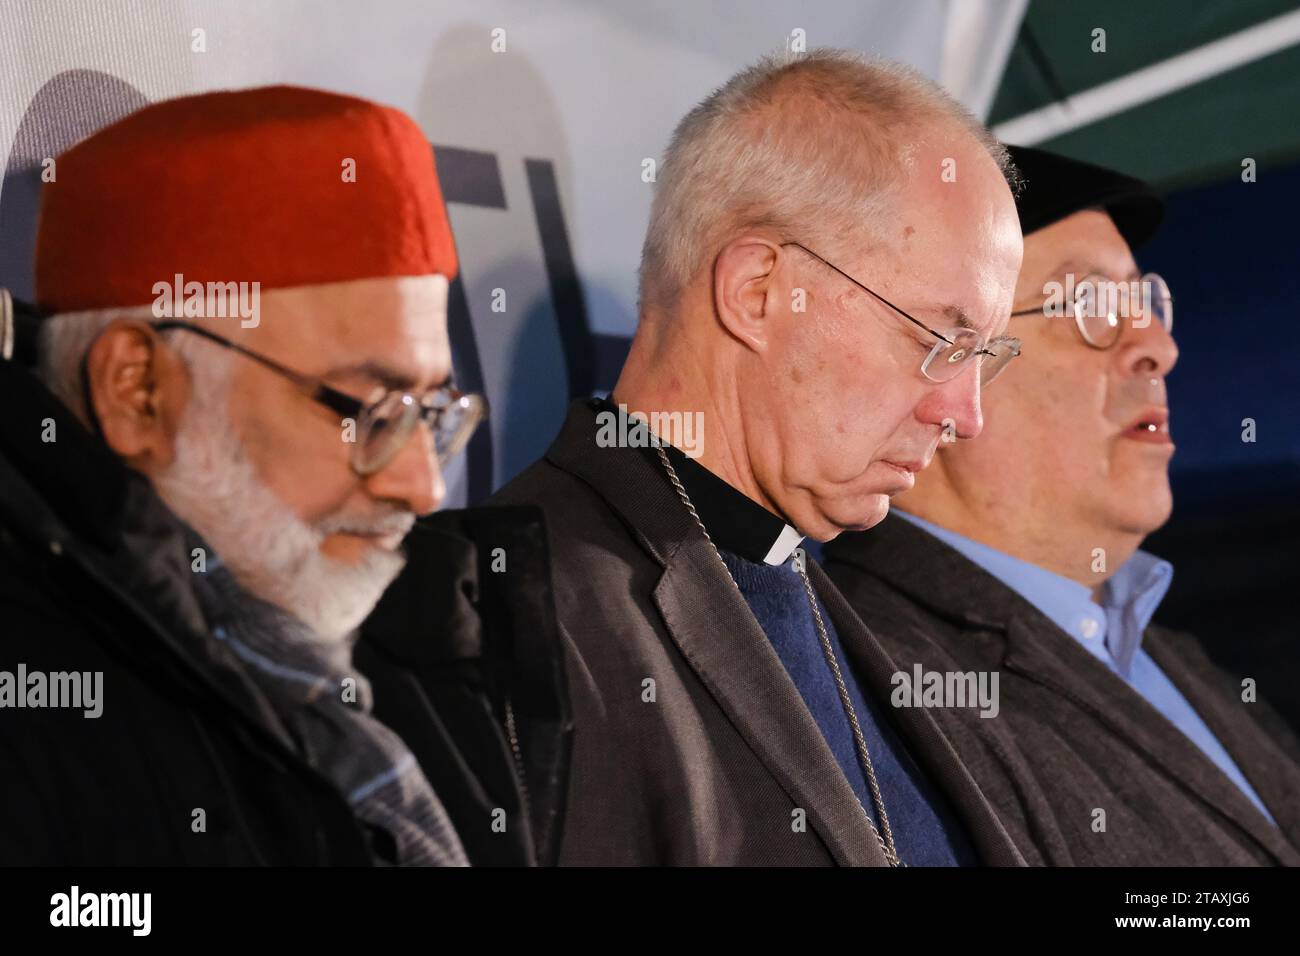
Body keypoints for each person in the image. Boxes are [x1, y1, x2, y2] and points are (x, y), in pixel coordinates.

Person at [0, 85, 569, 866]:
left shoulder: (419, 662)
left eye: (428, 414)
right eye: (369, 408)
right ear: (140, 390)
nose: (424, 488)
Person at [491, 50, 1026, 865]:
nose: (966, 415)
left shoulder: (852, 612)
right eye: (942, 340)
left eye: (986, 355)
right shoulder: (508, 613)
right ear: (757, 292)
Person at [822, 144, 1300, 865]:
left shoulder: (1163, 649)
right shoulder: (864, 690)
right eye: (1094, 305)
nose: (1159, 346)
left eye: (1148, 303)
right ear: (935, 367)